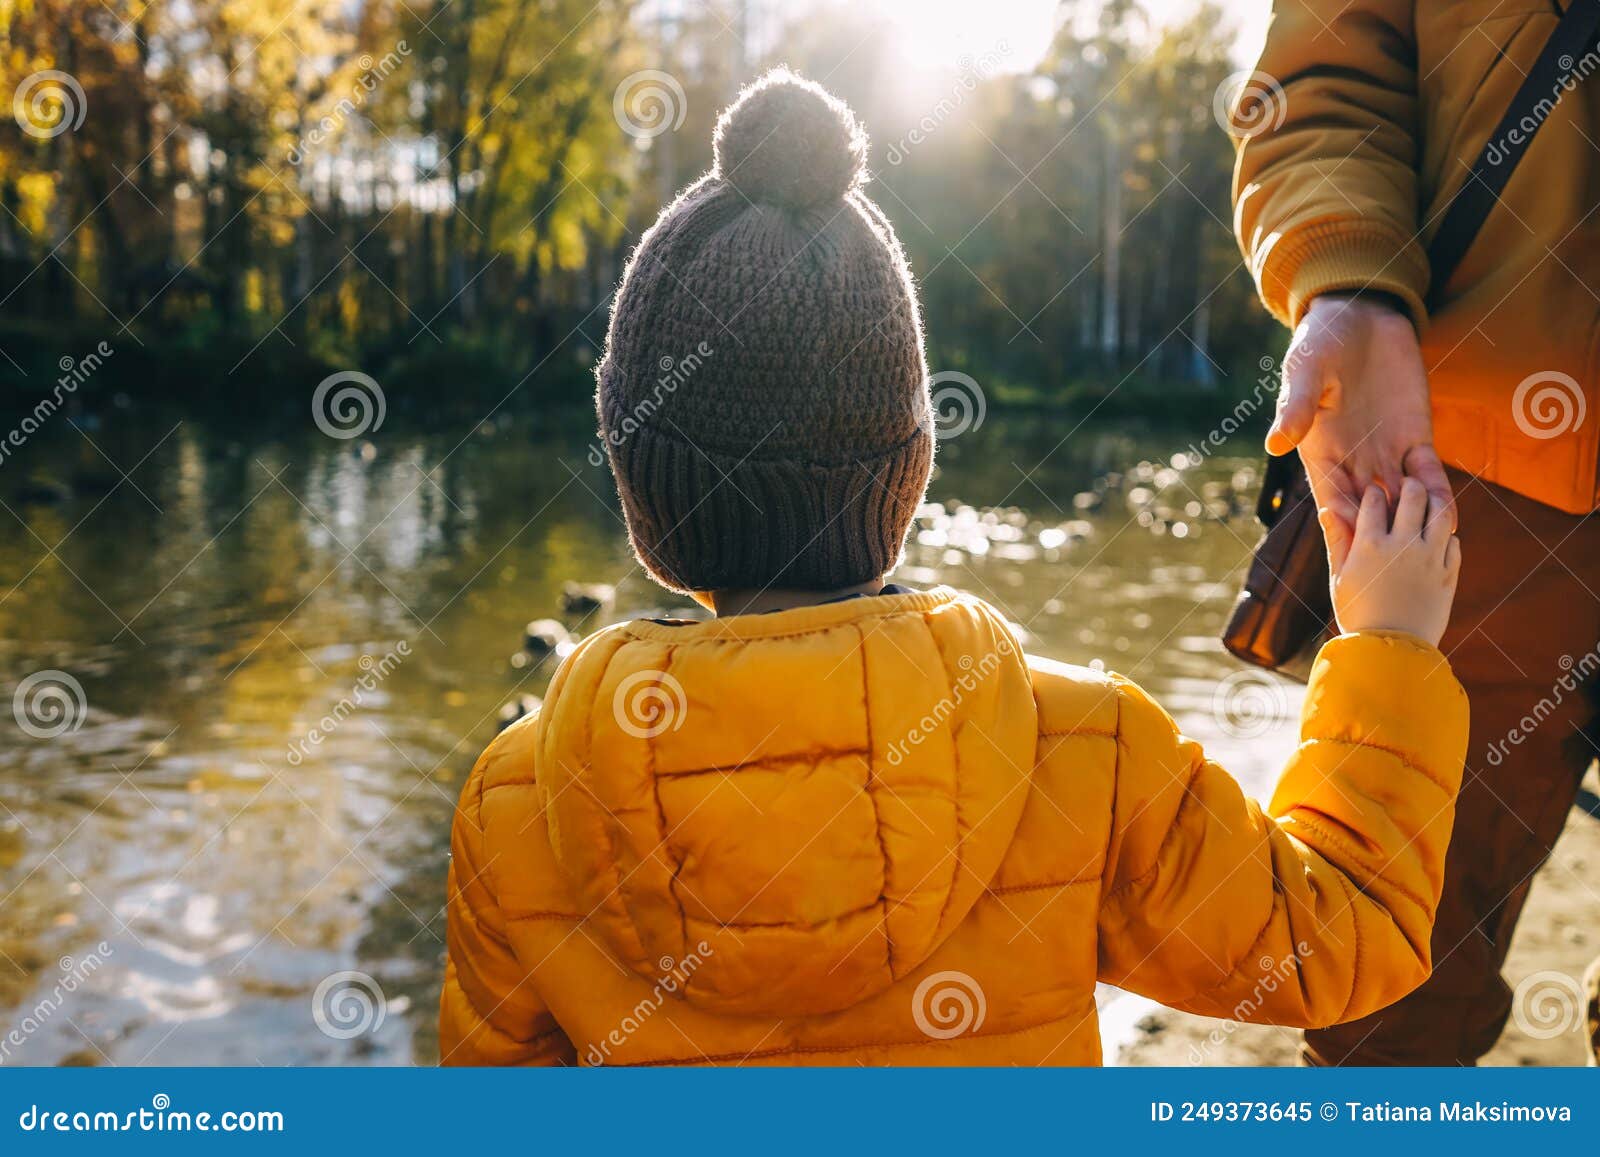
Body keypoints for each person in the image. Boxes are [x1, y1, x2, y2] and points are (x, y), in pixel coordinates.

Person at [438, 70, 1467, 1066]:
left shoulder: (521, 799)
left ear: (639, 487)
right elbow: (1338, 938)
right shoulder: (1078, 748)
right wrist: (1388, 646)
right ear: (909, 468)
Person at [1233, 0, 1600, 1066]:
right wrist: (1343, 279)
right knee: (1389, 996)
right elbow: (1320, 80)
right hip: (1472, 473)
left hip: (1459, 463)